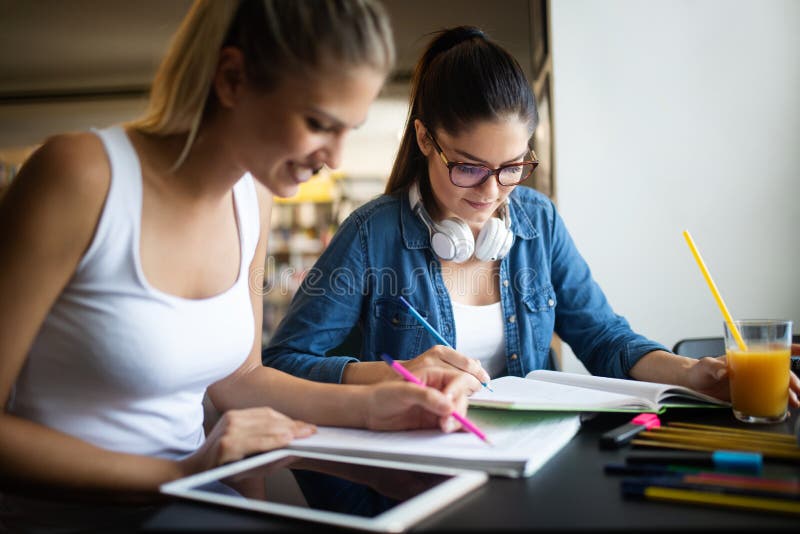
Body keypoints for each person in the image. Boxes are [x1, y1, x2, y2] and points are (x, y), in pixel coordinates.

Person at [0, 0, 475, 498]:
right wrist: (181, 476)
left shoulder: (253, 197)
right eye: (318, 123)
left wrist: (378, 405)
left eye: (348, 131)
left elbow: (241, 378)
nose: (333, 159)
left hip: (193, 503)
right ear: (231, 79)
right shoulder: (79, 177)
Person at [262, 26, 800, 407]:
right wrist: (389, 374)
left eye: (512, 167)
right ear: (426, 138)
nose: (493, 192)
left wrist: (690, 373)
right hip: (418, 466)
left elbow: (604, 337)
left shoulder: (537, 221)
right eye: (469, 168)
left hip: (527, 461)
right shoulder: (370, 236)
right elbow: (282, 363)